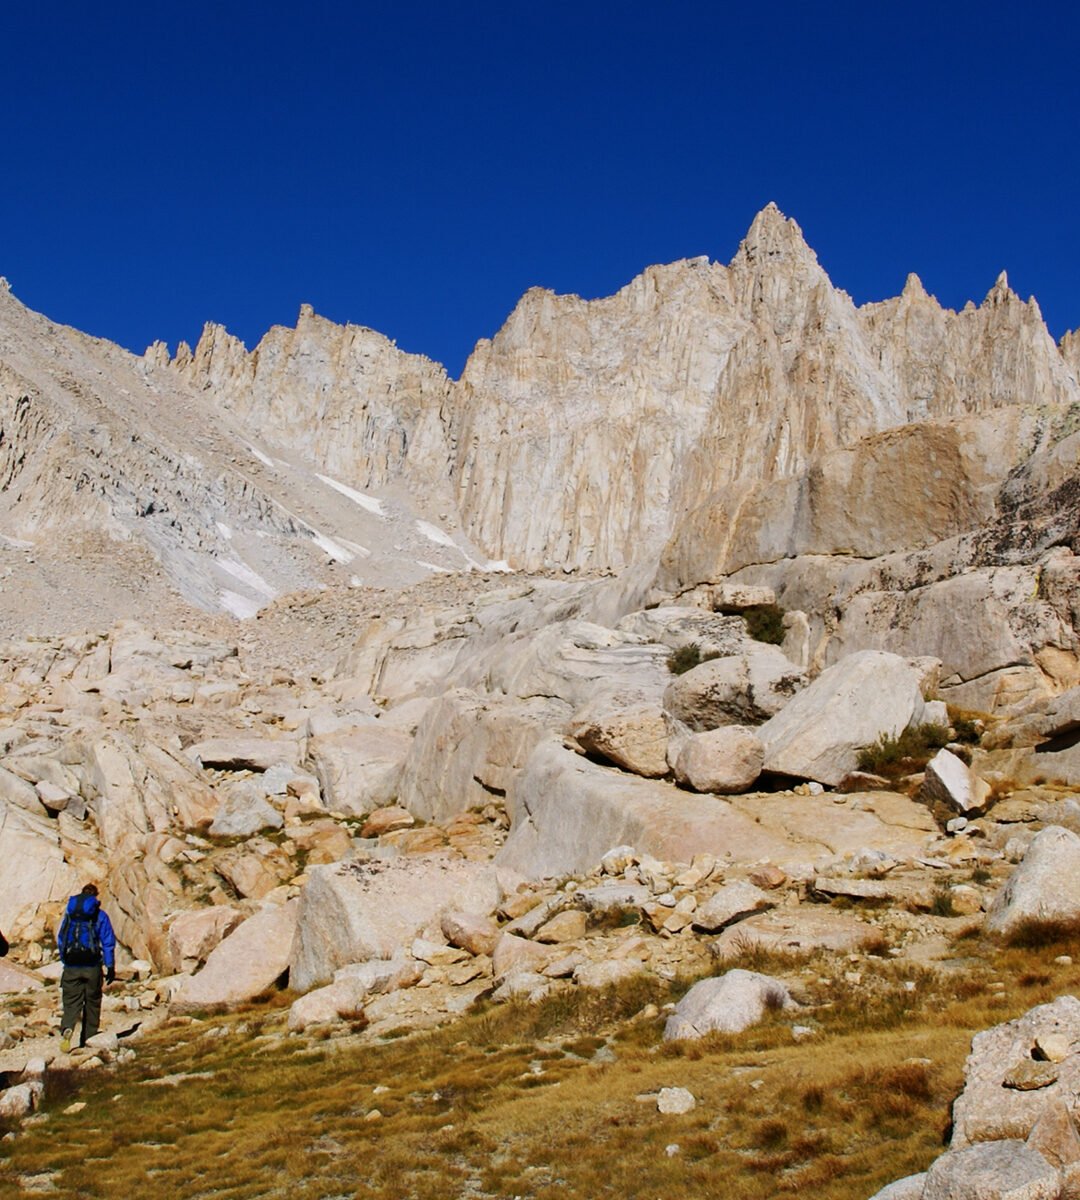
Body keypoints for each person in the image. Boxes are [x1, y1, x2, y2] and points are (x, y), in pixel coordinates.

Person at [57, 884, 116, 1052]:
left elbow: (61, 939)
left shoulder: (70, 916)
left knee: (70, 1002)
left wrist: (65, 960)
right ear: (95, 897)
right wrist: (110, 966)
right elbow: (108, 942)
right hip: (92, 966)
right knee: (92, 1002)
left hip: (71, 966)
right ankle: (89, 1038)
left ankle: (68, 1026)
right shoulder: (100, 916)